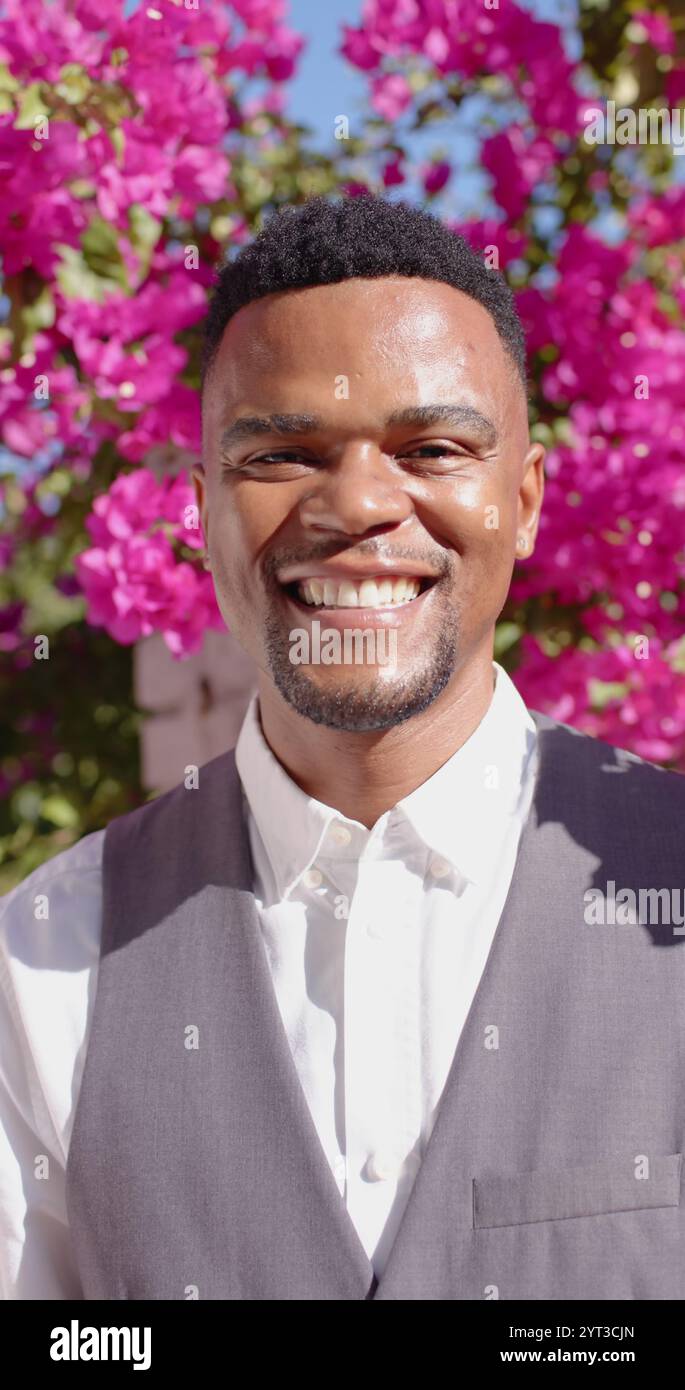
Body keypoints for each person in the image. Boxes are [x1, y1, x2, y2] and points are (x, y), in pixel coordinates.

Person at [2, 195, 684, 1302]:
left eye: (431, 446)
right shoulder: (43, 960)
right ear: (203, 509)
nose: (361, 501)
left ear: (522, 501)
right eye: (282, 451)